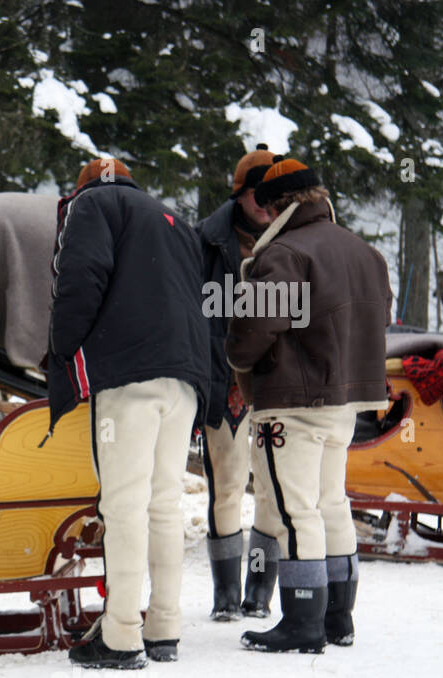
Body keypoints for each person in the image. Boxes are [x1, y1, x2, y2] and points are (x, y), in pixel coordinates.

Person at [47, 158, 209, 668]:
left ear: (82, 188)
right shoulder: (175, 220)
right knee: (163, 503)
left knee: (123, 506)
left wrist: (61, 352)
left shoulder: (92, 205)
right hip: (184, 376)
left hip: (126, 373)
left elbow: (80, 278)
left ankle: (120, 633)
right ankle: (164, 625)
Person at [227, 157, 390, 652]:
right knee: (331, 503)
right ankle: (338, 618)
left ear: (275, 204)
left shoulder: (284, 254)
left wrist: (235, 353)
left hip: (292, 401)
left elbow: (252, 331)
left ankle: (301, 621)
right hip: (345, 399)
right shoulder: (365, 252)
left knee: (295, 509)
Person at [197, 145, 283, 621]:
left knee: (271, 487)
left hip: (276, 386)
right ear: (241, 193)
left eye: (273, 193)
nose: (264, 202)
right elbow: (191, 315)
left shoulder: (294, 239)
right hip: (224, 382)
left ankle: (258, 589)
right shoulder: (204, 242)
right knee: (227, 487)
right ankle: (227, 594)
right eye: (257, 192)